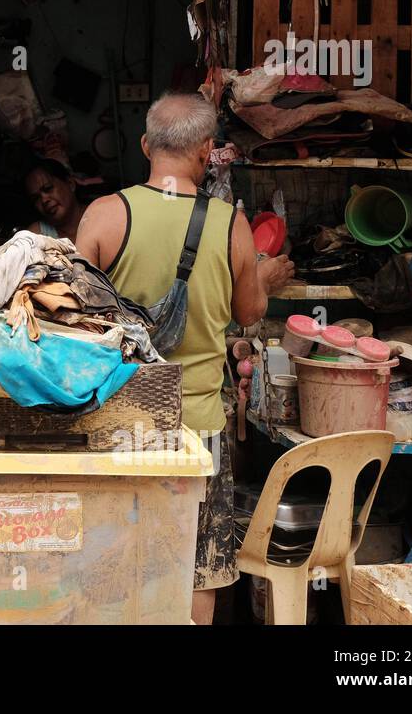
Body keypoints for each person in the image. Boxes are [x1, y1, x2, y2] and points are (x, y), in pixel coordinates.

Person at [74, 93, 294, 625]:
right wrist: (260, 278)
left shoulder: (104, 216)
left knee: (108, 556)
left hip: (116, 421)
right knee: (198, 565)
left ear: (147, 145)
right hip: (199, 429)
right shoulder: (230, 226)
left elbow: (74, 324)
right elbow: (248, 312)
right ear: (206, 151)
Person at [24, 158, 89, 240]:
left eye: (48, 188)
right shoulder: (36, 235)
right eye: (36, 198)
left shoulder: (101, 215)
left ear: (70, 184)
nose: (44, 200)